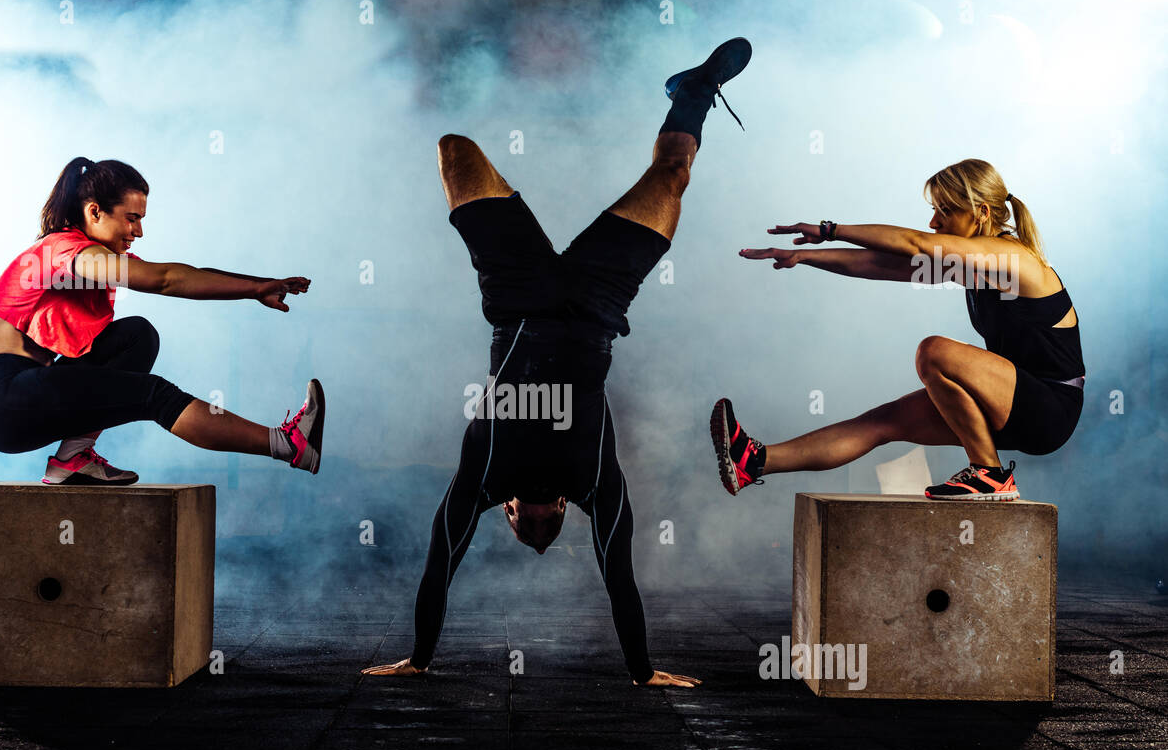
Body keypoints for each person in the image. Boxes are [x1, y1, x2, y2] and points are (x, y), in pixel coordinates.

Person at [362, 38, 753, 687]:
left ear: (506, 511)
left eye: (528, 526)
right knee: (672, 176)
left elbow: (439, 566)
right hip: (600, 302)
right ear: (566, 509)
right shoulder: (596, 486)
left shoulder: (482, 479)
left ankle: (454, 54)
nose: (541, 522)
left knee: (454, 148)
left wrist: (419, 658)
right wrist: (643, 672)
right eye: (552, 525)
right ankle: (693, 90)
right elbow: (619, 578)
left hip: (517, 296)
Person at [716, 158, 1084, 502]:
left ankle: (988, 474)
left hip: (1049, 409)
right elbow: (882, 264)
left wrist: (831, 230)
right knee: (881, 423)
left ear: (981, 213)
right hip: (1007, 403)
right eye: (934, 211)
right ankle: (754, 461)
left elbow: (916, 243)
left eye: (945, 211)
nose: (934, 222)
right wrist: (804, 256)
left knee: (934, 352)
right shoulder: (971, 267)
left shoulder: (1014, 258)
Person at [0, 156, 326, 484]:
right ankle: (286, 444)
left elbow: (182, 276)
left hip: (26, 396)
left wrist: (257, 287)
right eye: (132, 218)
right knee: (153, 394)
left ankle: (72, 458)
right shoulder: (63, 250)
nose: (138, 232)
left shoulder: (92, 255)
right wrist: (255, 288)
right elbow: (165, 279)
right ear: (94, 212)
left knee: (136, 335)